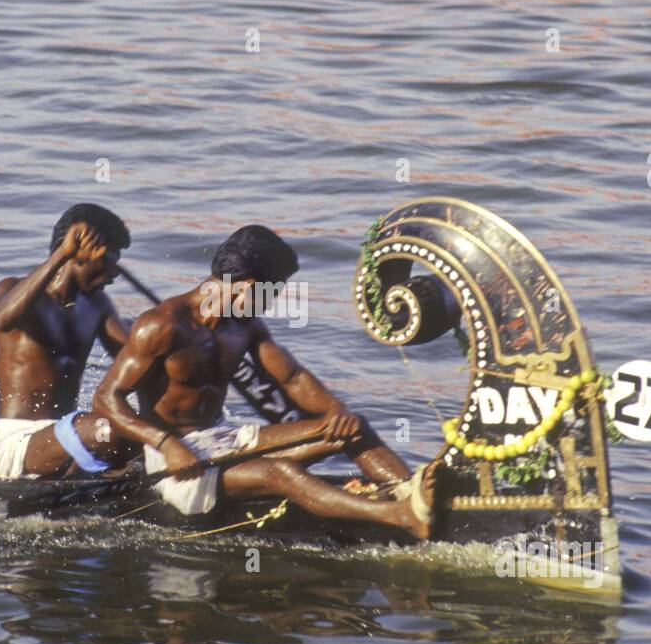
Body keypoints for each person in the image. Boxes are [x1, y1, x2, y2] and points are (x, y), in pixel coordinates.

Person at [94, 225, 433, 538]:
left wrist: (336, 410)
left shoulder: (245, 326)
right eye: (273, 292)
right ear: (250, 285)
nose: (272, 302)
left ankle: (410, 494)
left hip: (227, 439)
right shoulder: (161, 325)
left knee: (351, 427)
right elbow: (106, 399)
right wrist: (167, 444)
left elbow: (292, 377)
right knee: (280, 472)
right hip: (178, 462)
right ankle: (399, 517)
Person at [0, 204, 139, 478]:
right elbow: (2, 319)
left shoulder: (97, 304)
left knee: (140, 430)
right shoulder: (11, 289)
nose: (115, 273)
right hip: (20, 443)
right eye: (110, 260)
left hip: (69, 434)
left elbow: (139, 356)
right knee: (108, 430)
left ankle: (89, 477)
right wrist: (61, 254)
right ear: (78, 252)